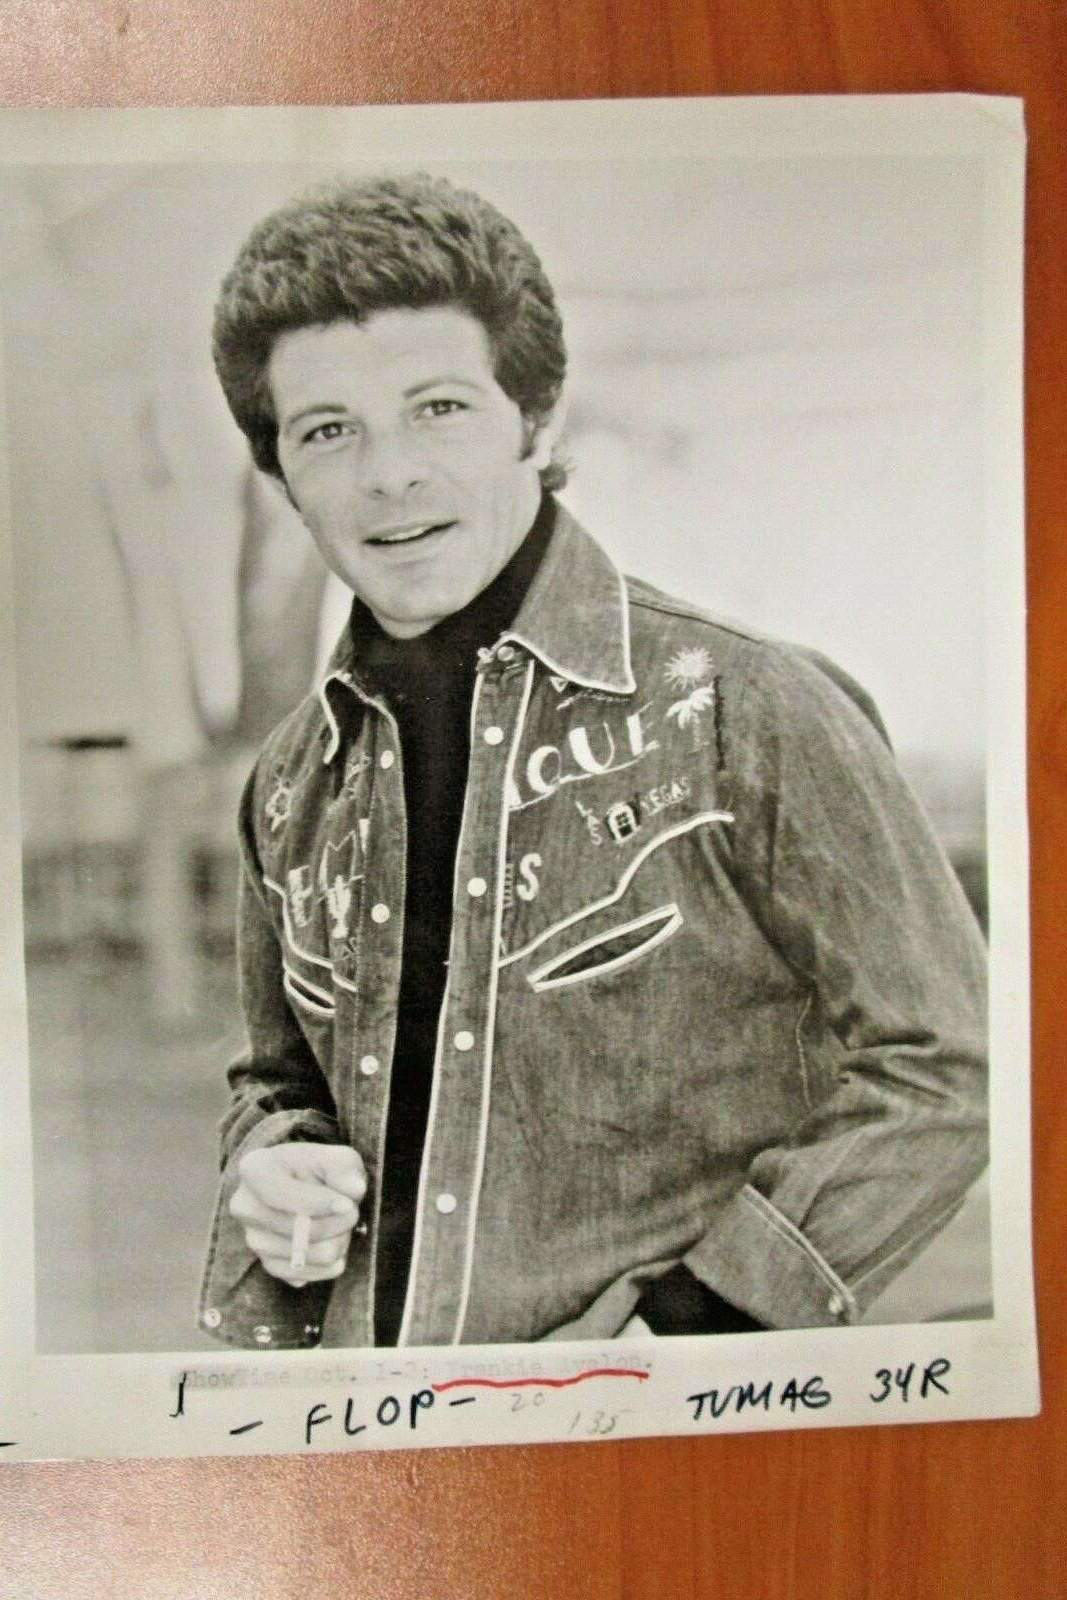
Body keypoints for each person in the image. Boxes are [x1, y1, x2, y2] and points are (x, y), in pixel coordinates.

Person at [197, 172, 987, 1350]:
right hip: (368, 1414)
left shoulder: (747, 707)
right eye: (328, 430)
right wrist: (274, 1159)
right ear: (281, 473)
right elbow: (277, 1081)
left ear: (539, 420)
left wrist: (696, 1332)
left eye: (438, 408)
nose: (388, 472)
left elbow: (953, 1066)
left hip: (661, 1429)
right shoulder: (289, 783)